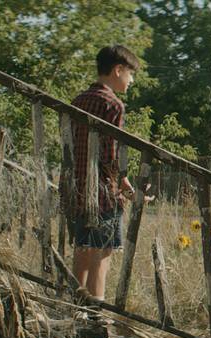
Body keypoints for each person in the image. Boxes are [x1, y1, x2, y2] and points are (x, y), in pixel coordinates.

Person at [61, 45, 140, 302]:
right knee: (102, 254)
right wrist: (125, 184)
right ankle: (97, 314)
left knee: (82, 251)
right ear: (118, 70)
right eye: (130, 74)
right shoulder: (113, 105)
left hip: (79, 188)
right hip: (104, 192)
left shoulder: (79, 100)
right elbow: (110, 154)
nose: (131, 80)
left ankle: (77, 308)